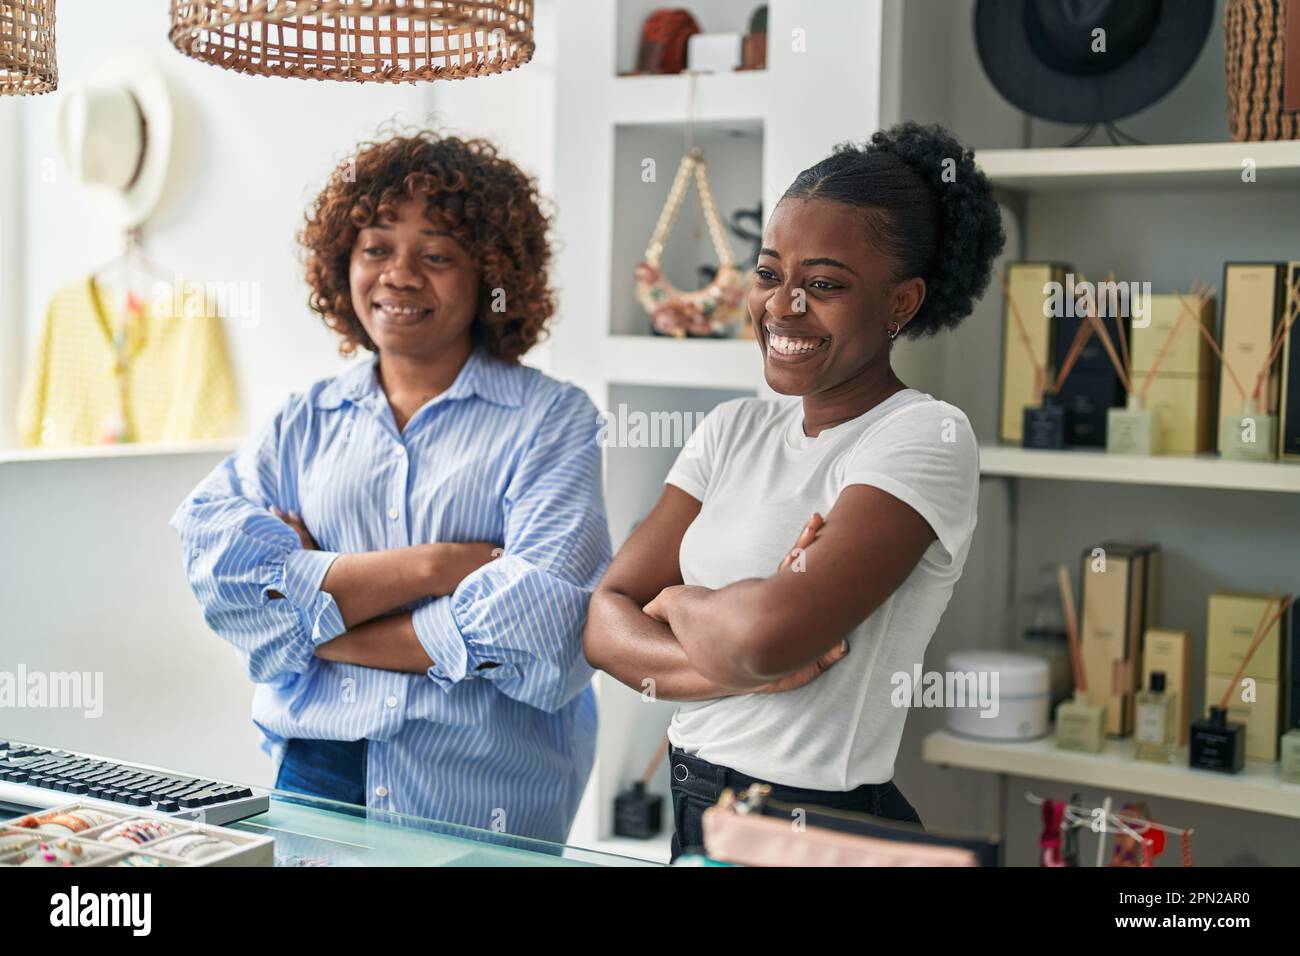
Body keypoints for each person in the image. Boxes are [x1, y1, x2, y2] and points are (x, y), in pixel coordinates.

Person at [170, 129, 611, 845]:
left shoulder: (552, 420)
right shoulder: (302, 420)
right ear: (341, 261)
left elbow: (544, 631)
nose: (399, 275)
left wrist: (317, 617)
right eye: (376, 248)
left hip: (481, 787)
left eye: (436, 255)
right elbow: (222, 574)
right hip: (316, 771)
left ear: (492, 274)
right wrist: (436, 569)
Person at [583, 121, 1005, 861]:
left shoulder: (922, 438)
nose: (783, 307)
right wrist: (738, 654)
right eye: (770, 273)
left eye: (824, 285)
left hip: (811, 829)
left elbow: (765, 637)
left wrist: (679, 603)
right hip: (694, 809)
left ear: (901, 303)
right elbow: (604, 621)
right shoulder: (731, 429)